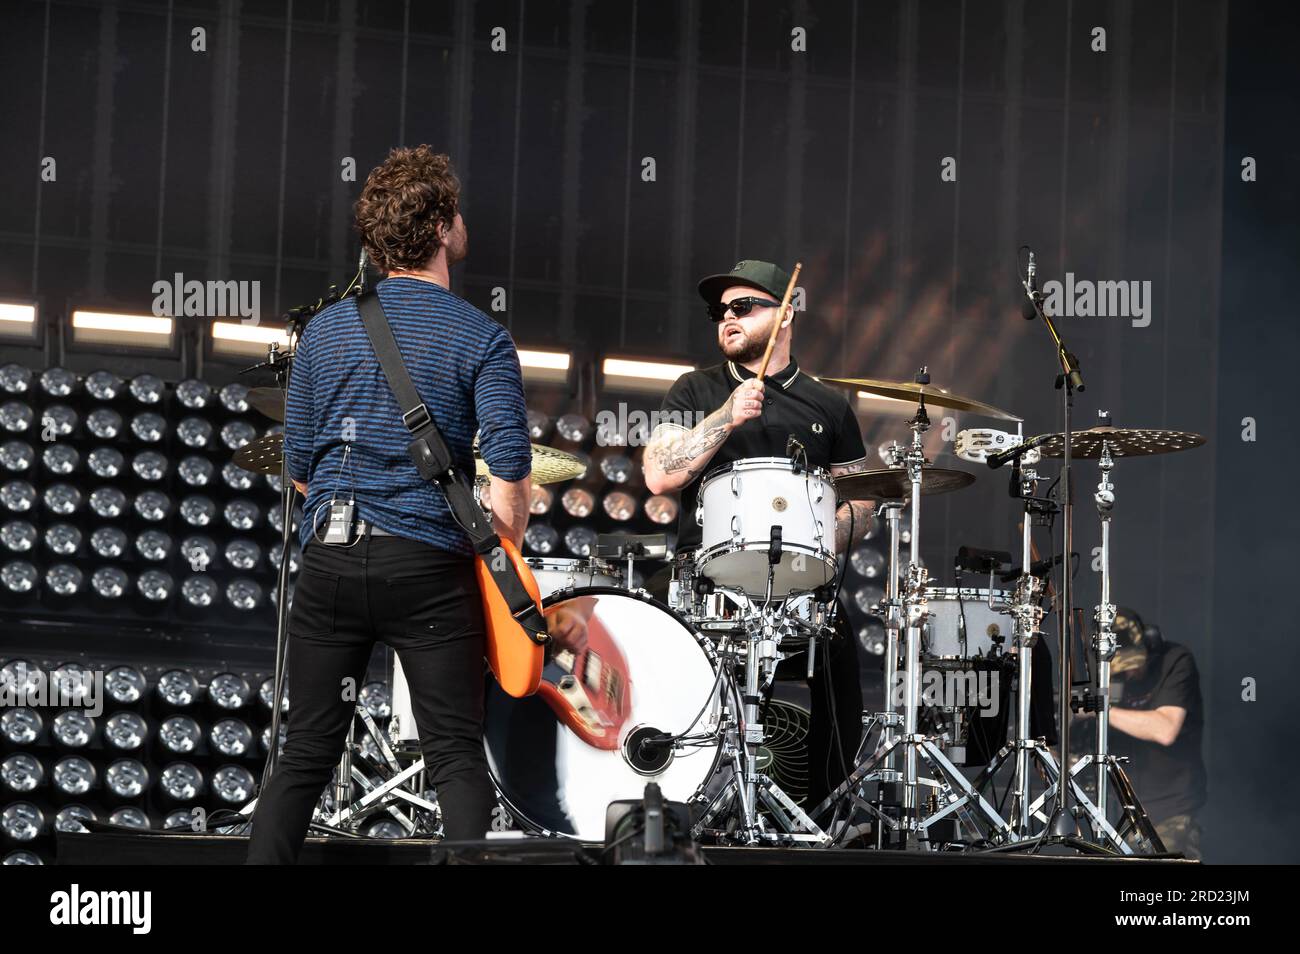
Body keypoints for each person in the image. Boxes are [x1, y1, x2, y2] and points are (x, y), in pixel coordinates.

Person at [246, 146, 536, 863]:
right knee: (454, 755)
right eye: (457, 211)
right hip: (428, 567)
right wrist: (498, 543)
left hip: (332, 561)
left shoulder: (324, 332)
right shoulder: (483, 338)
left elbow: (301, 470)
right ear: (440, 227)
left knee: (305, 753)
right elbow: (509, 473)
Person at [642, 260, 875, 814]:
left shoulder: (829, 404)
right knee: (650, 644)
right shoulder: (696, 388)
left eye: (744, 307)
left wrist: (828, 529)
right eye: (720, 311)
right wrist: (724, 416)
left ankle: (831, 811)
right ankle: (665, 802)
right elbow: (658, 474)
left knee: (838, 647)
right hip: (704, 577)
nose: (728, 317)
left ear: (786, 312)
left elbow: (861, 502)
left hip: (796, 584)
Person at [1078, 606, 1207, 859]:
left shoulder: (1175, 661)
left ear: (1150, 642)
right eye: (1122, 667)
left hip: (1169, 808)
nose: (1130, 672)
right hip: (1114, 809)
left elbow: (1165, 729)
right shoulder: (1105, 674)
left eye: (1134, 662)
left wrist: (1097, 709)